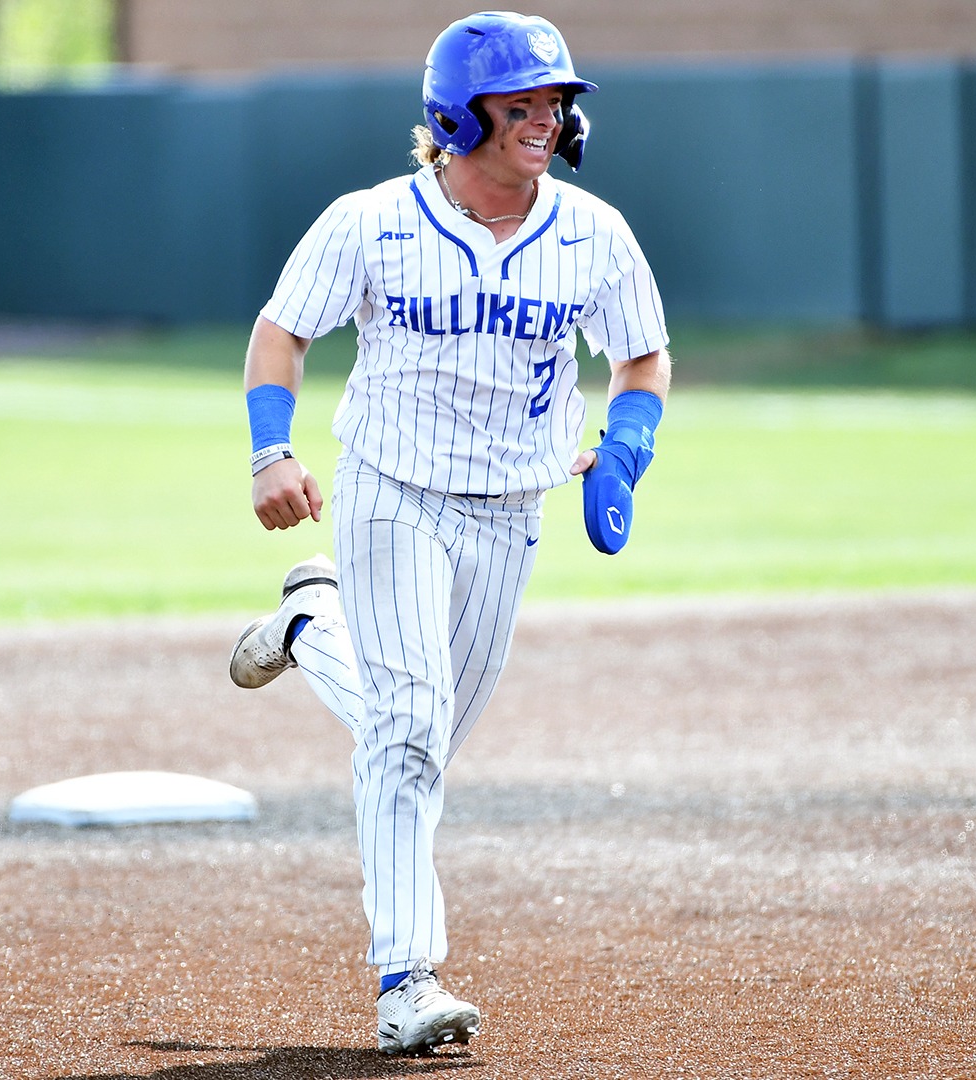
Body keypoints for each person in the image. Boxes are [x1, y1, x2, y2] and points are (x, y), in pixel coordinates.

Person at [228, 10, 670, 1056]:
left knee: (418, 743)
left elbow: (642, 358)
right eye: (519, 104)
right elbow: (281, 332)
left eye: (554, 103)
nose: (545, 121)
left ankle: (308, 627)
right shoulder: (373, 222)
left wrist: (626, 450)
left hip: (511, 514)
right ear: (454, 118)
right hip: (392, 495)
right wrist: (269, 453)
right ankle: (405, 980)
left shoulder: (593, 235)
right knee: (411, 733)